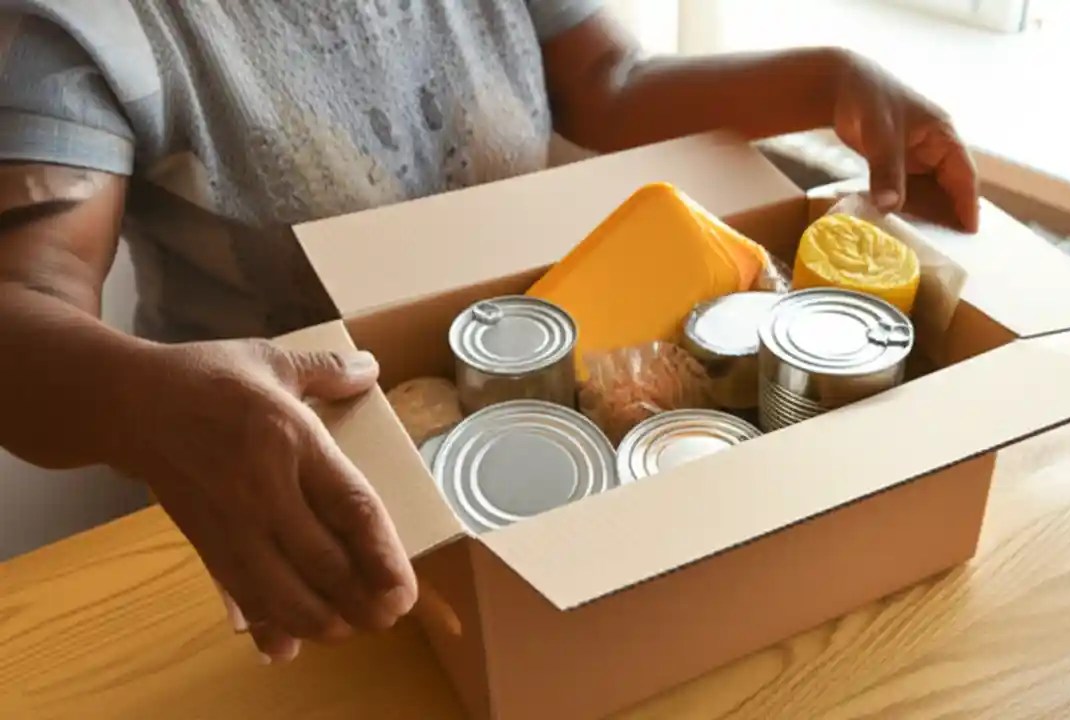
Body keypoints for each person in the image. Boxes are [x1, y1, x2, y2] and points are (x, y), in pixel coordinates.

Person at [0, 1, 978, 663]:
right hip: (263, 506)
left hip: (517, 430)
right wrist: (144, 402)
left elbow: (608, 81)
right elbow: (26, 301)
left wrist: (830, 76)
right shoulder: (79, 29)